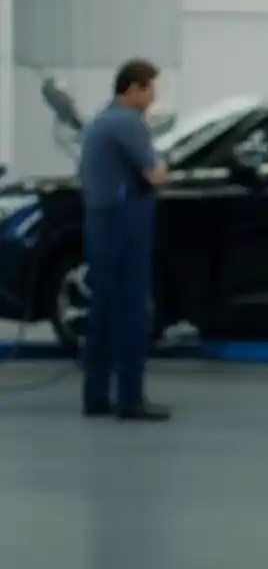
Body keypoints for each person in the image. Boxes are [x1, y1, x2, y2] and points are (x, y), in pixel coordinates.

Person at [78, 58, 170, 421]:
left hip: (99, 223)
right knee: (133, 311)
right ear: (133, 88)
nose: (152, 98)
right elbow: (155, 174)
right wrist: (164, 164)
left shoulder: (99, 122)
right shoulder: (128, 123)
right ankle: (131, 399)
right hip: (126, 225)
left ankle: (96, 395)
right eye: (150, 90)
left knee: (101, 312)